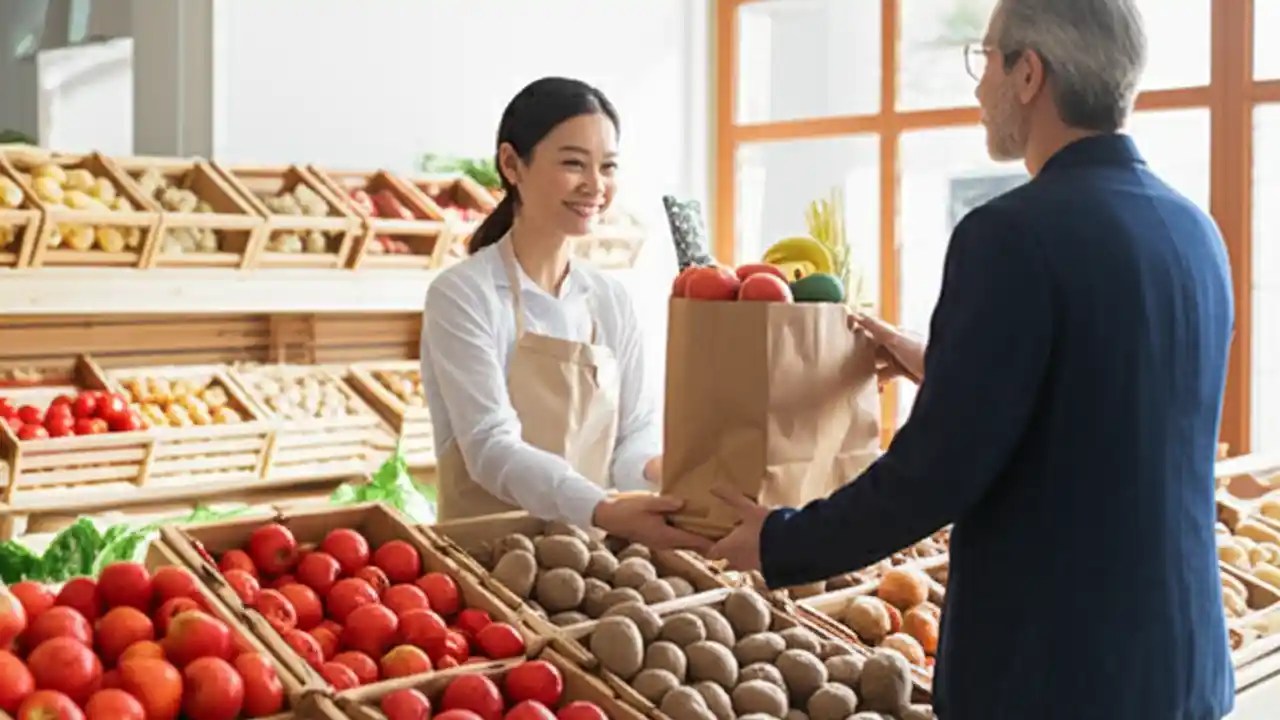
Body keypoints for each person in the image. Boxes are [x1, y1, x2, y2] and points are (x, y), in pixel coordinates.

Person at [709, 0, 1236, 717]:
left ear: (1028, 73)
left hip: (1053, 674)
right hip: (1183, 667)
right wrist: (941, 363)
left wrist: (780, 540)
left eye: (984, 59)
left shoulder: (1010, 234)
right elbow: (1113, 392)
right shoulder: (1194, 229)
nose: (977, 84)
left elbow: (933, 475)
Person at [420, 77, 710, 552]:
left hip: (585, 560)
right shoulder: (462, 295)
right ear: (512, 165)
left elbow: (631, 436)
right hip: (484, 559)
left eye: (608, 166)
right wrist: (603, 509)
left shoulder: (610, 298)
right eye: (574, 163)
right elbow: (490, 447)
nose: (595, 185)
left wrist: (664, 472)